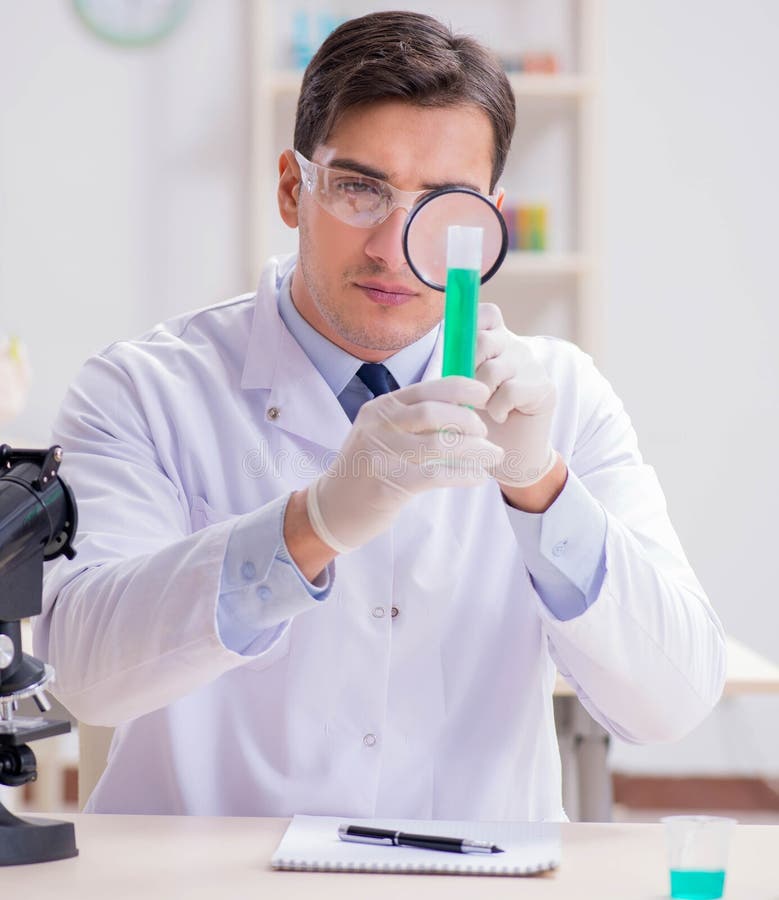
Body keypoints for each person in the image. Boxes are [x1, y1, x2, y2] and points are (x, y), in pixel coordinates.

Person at [37, 11, 725, 820]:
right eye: (362, 189)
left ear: (488, 224)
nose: (395, 246)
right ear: (295, 189)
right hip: (209, 876)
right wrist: (312, 523)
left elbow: (672, 702)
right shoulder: (144, 389)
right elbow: (85, 675)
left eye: (444, 205)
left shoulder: (562, 400)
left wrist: (541, 488)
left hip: (473, 878)